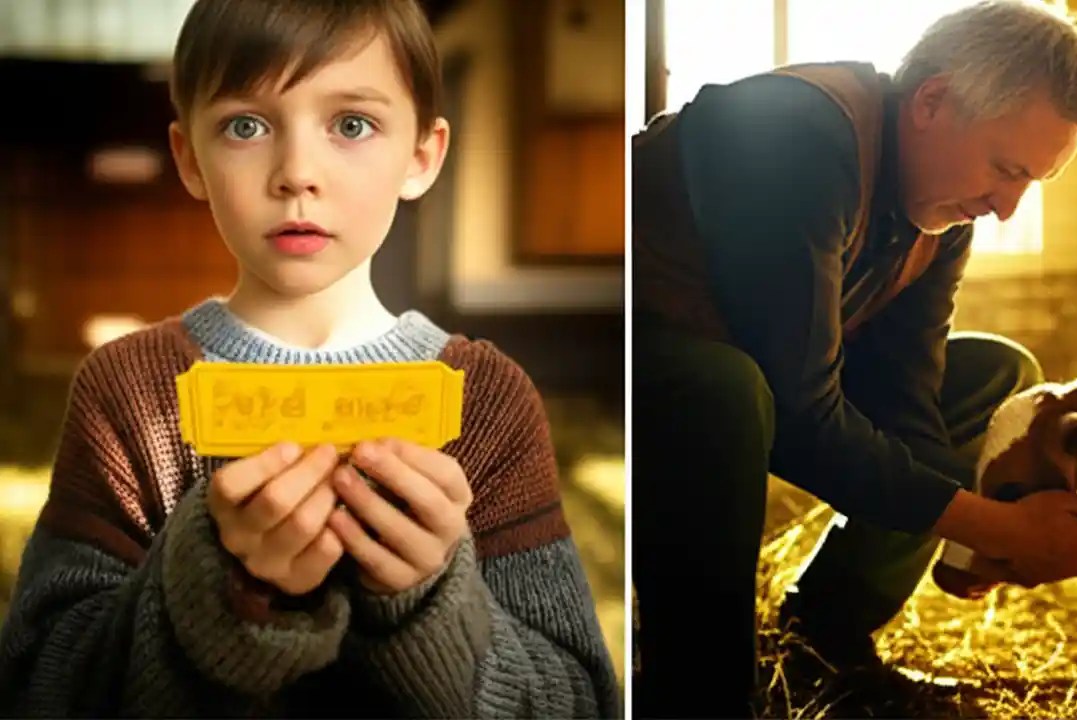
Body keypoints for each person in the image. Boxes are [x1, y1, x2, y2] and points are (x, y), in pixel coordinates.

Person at [0, 0, 619, 716]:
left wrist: (431, 597)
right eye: (246, 126)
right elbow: (39, 686)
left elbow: (579, 700)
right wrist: (212, 583)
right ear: (189, 159)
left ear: (421, 156)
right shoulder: (127, 393)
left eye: (351, 125)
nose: (297, 173)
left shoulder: (487, 401)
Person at [631, 1, 1077, 717]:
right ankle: (701, 690)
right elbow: (804, 414)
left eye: (1031, 183)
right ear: (932, 100)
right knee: (724, 388)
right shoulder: (797, 135)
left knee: (996, 379)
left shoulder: (940, 212)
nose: (1007, 209)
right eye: (1005, 168)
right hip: (638, 368)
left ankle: (825, 640)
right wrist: (993, 524)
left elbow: (911, 399)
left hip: (770, 384)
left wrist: (978, 542)